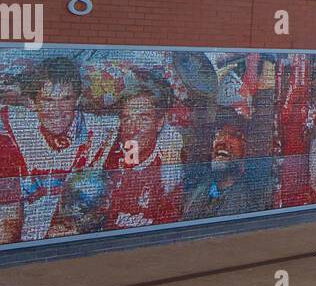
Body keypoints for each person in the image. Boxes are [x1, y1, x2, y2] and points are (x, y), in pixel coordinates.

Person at [0, 55, 116, 243]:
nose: (57, 110)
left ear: (77, 100)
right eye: (48, 100)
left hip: (60, 236)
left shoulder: (101, 130)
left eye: (66, 99)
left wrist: (79, 227)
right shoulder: (14, 124)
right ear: (32, 103)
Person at [103, 78, 184, 230]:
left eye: (143, 119)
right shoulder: (109, 160)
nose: (133, 129)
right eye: (127, 119)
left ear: (159, 123)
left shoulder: (168, 171)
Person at [183, 124, 255, 220]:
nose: (221, 141)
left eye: (232, 135)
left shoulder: (243, 199)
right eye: (217, 135)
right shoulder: (201, 188)